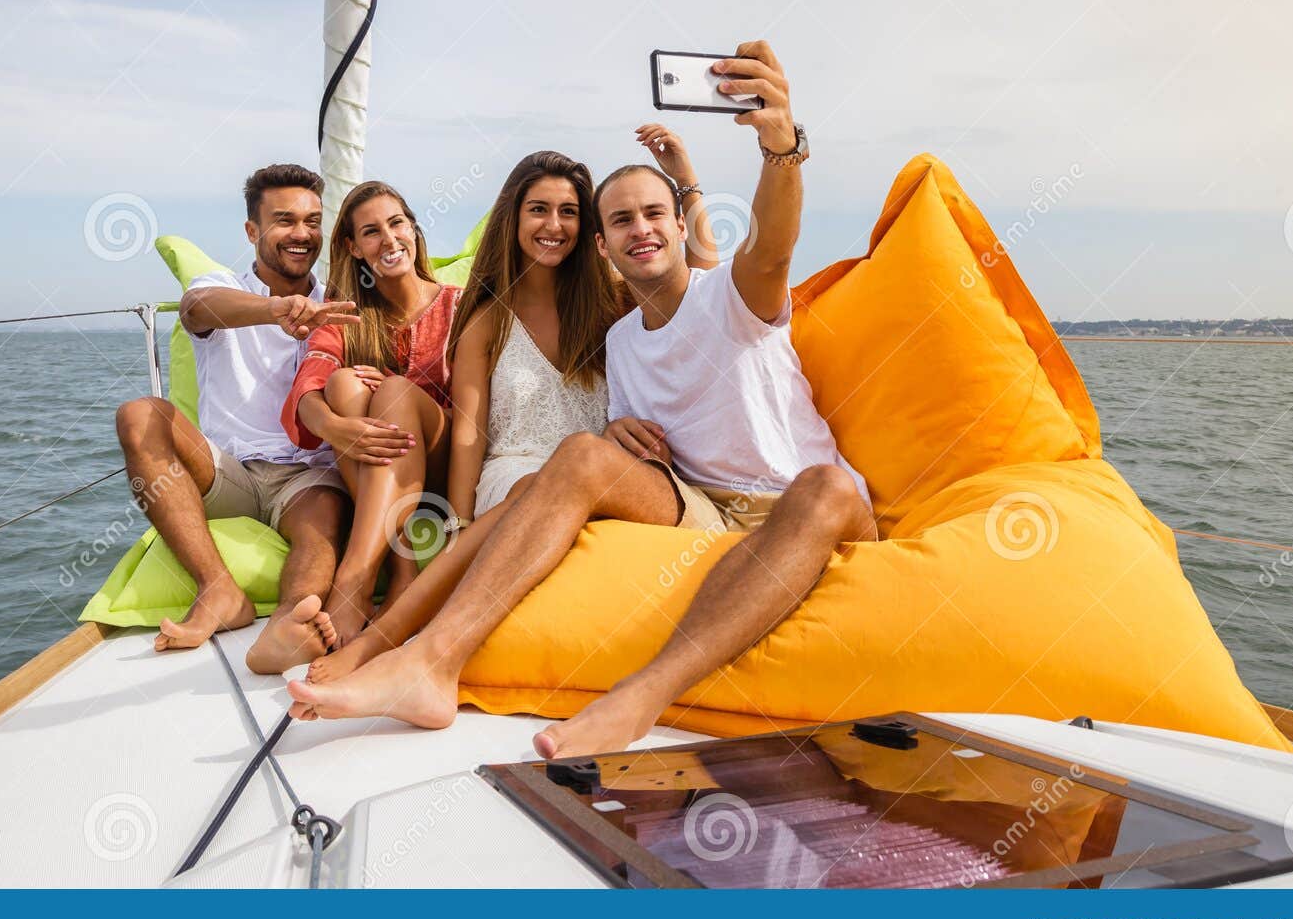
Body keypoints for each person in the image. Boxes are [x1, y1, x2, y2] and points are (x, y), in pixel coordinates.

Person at [287, 41, 877, 760]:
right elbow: (497, 426)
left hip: (805, 504)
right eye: (621, 221)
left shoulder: (733, 295)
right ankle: (427, 663)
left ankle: (639, 696)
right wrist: (616, 433)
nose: (641, 230)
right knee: (579, 454)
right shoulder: (618, 336)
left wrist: (779, 146)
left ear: (682, 222)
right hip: (703, 508)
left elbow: (773, 247)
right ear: (602, 246)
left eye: (655, 214)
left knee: (826, 485)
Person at [305, 135, 718, 685]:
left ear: (590, 230)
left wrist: (686, 182)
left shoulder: (614, 301)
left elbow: (702, 291)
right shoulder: (487, 317)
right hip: (512, 473)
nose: (554, 224)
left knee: (566, 475)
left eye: (569, 212)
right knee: (532, 487)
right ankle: (388, 630)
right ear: (514, 218)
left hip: (597, 470)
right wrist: (458, 524)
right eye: (538, 209)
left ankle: (400, 642)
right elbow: (470, 433)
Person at [114, 163, 356, 670]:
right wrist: (276, 309)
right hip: (228, 472)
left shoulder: (340, 299)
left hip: (307, 476)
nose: (302, 233)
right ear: (252, 230)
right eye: (284, 220)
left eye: (312, 221)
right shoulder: (223, 285)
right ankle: (219, 589)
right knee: (139, 414)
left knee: (323, 519)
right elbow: (197, 308)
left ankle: (290, 623)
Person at [265, 180, 459, 659]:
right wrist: (337, 428)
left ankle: (355, 579)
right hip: (379, 478)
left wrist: (400, 395)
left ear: (413, 229)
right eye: (371, 232)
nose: (389, 240)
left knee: (391, 390)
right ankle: (402, 570)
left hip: (448, 465)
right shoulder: (347, 315)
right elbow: (307, 390)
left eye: (397, 224)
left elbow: (482, 410)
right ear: (353, 248)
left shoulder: (460, 304)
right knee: (342, 384)